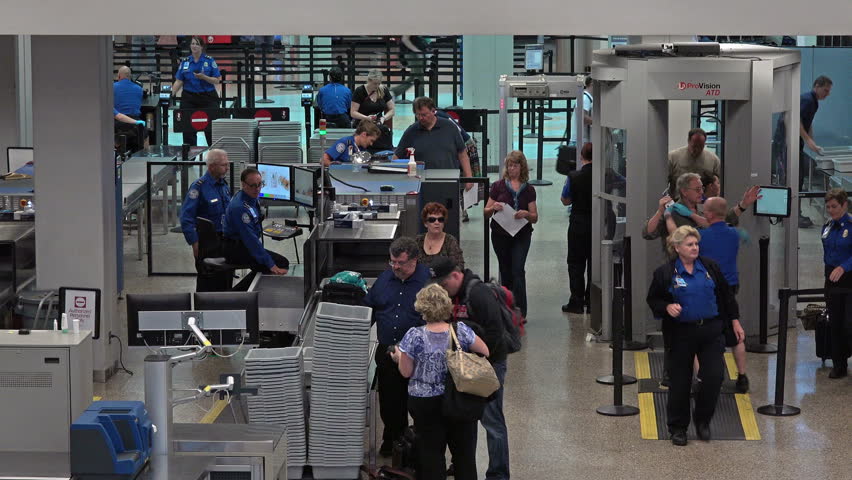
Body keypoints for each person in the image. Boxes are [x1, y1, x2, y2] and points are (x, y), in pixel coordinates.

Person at [646, 226, 742, 446]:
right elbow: (654, 299)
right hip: (681, 333)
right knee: (679, 382)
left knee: (714, 376)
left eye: (696, 244)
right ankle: (678, 428)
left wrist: (735, 320)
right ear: (677, 247)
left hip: (710, 331)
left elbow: (726, 297)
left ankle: (703, 421)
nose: (694, 248)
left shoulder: (710, 268)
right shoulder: (665, 273)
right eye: (689, 244)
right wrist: (667, 307)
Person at [390, 283, 488, 480]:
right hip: (460, 398)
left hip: (425, 403)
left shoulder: (414, 336)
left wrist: (398, 357)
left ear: (421, 307)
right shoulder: (460, 330)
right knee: (464, 455)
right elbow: (484, 352)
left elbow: (406, 372)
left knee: (431, 455)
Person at [433, 257, 509, 480]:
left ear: (456, 276)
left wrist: (481, 367)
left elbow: (496, 334)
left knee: (492, 421)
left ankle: (498, 474)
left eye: (444, 285)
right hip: (463, 366)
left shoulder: (479, 294)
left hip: (489, 364)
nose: (443, 291)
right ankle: (463, 465)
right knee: (465, 418)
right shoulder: (454, 294)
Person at [363, 236, 431, 455]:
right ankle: (393, 439)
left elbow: (434, 320)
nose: (396, 267)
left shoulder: (428, 284)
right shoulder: (385, 279)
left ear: (414, 260)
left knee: (419, 404)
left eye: (401, 263)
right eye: (392, 262)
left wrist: (408, 346)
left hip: (418, 356)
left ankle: (419, 447)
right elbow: (369, 308)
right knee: (391, 403)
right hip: (388, 352)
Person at [697, 197, 750, 392]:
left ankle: (703, 377)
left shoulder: (700, 236)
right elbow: (746, 236)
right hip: (730, 287)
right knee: (735, 333)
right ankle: (742, 376)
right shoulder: (735, 234)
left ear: (709, 214)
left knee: (702, 334)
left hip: (708, 289)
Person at [486, 151, 537, 318]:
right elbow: (486, 211)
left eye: (515, 165)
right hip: (501, 235)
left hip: (521, 235)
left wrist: (526, 215)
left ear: (521, 167)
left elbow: (534, 217)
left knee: (518, 270)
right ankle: (506, 308)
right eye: (509, 165)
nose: (512, 168)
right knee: (505, 270)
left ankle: (521, 311)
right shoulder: (498, 186)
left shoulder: (528, 189)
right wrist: (493, 208)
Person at [223, 168, 289, 289]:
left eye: (260, 185)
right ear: (243, 185)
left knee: (267, 265)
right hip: (236, 248)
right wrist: (270, 264)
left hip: (244, 244)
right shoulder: (240, 208)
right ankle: (237, 295)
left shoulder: (250, 197)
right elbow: (250, 240)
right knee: (279, 264)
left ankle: (245, 293)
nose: (257, 189)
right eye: (253, 185)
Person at [393, 97, 473, 193]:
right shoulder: (411, 131)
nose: (421, 118)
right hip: (422, 185)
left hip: (449, 182)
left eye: (424, 114)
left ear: (433, 111)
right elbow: (396, 157)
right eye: (417, 115)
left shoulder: (450, 127)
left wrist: (469, 177)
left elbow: (462, 154)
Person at [179, 149, 232, 291]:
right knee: (208, 283)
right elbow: (186, 217)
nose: (227, 168)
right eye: (224, 165)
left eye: (227, 164)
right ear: (211, 166)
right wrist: (194, 242)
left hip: (224, 241)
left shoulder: (224, 185)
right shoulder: (198, 187)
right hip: (208, 243)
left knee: (226, 281)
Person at [821, 188, 852, 378]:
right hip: (831, 278)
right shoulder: (827, 226)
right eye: (828, 207)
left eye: (835, 206)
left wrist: (843, 267)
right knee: (836, 322)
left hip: (849, 278)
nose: (831, 210)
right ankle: (839, 364)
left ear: (844, 205)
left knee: (849, 323)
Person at [171, 36, 221, 146]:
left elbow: (217, 80)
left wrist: (204, 77)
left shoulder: (209, 60)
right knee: (188, 130)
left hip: (207, 98)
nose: (194, 46)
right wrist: (170, 94)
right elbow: (179, 81)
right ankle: (189, 159)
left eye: (197, 44)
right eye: (192, 43)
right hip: (189, 98)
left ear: (202, 47)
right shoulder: (185, 62)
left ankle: (214, 156)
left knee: (211, 129)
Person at [561, 142, 593, 314]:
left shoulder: (573, 176)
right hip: (597, 224)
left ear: (581, 157)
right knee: (594, 262)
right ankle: (593, 299)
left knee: (575, 263)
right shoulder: (605, 174)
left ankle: (577, 301)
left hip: (578, 224)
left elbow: (565, 199)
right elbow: (623, 183)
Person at [799, 75, 833, 228]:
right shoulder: (807, 99)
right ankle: (795, 215)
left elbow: (807, 122)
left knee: (799, 178)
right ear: (817, 86)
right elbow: (797, 121)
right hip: (787, 144)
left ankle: (795, 213)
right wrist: (809, 141)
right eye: (825, 90)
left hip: (796, 143)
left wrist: (812, 142)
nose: (827, 94)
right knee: (797, 179)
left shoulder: (814, 102)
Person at [350, 69, 395, 152]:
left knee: (384, 134)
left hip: (378, 125)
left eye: (379, 83)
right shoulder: (359, 91)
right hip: (362, 124)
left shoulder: (383, 90)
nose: (377, 86)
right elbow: (353, 112)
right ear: (369, 81)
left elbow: (392, 110)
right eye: (375, 83)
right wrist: (366, 118)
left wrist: (384, 118)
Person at [667, 128, 720, 198]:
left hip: (703, 202)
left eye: (700, 146)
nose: (697, 150)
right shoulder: (672, 157)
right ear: (688, 141)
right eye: (694, 146)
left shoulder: (713, 160)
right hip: (678, 201)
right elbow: (663, 182)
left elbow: (718, 184)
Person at [415, 202, 465, 269]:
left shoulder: (450, 241)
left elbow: (459, 267)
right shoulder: (418, 241)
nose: (437, 222)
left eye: (440, 219)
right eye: (432, 220)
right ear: (425, 223)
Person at [391, 35, 428, 99]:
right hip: (413, 55)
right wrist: (417, 51)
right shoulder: (410, 28)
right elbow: (405, 39)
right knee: (419, 77)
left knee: (413, 77)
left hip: (413, 54)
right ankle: (421, 98)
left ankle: (393, 91)